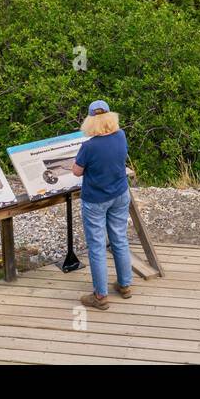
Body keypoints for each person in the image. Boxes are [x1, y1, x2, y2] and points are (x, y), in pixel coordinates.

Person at [72, 99, 133, 309]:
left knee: (97, 246)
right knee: (120, 238)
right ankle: (125, 285)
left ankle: (100, 296)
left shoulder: (88, 147)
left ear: (90, 121)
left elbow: (76, 171)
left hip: (96, 200)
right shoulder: (121, 135)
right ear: (110, 117)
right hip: (120, 194)